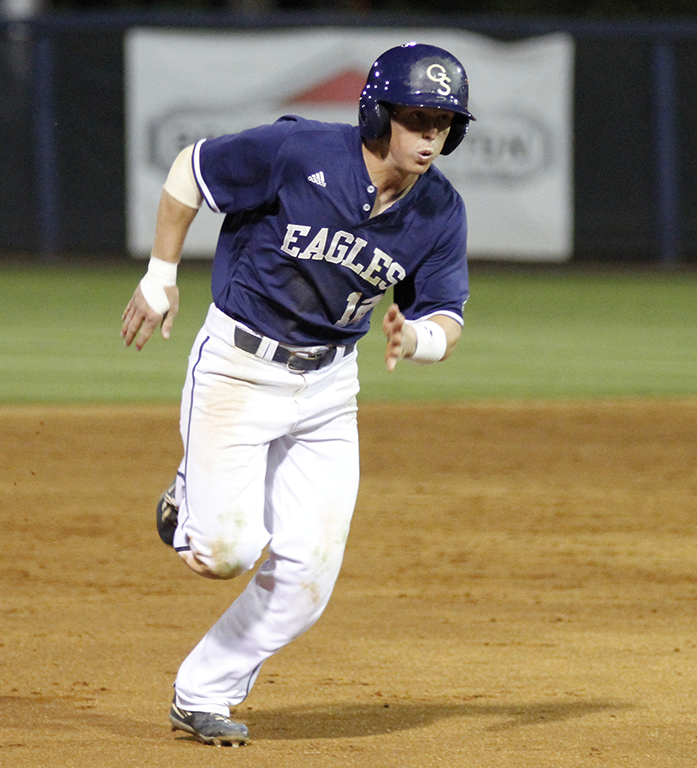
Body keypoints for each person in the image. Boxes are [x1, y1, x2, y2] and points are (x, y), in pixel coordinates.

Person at [120, 41, 474, 747]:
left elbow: (447, 313)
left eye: (443, 120)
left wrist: (418, 341)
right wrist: (161, 274)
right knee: (223, 554)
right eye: (417, 116)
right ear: (379, 113)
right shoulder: (298, 152)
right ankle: (189, 497)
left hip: (328, 389)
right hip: (238, 369)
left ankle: (203, 693)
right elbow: (191, 169)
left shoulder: (439, 211)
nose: (429, 133)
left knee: (308, 578)